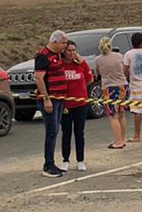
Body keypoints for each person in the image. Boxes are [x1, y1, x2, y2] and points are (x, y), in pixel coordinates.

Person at [34, 30, 71, 177]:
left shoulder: (57, 55)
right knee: (51, 131)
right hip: (51, 100)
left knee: (55, 131)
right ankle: (48, 165)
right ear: (55, 41)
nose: (65, 46)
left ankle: (51, 163)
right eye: (63, 43)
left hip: (60, 98)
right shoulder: (43, 56)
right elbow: (39, 78)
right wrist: (46, 98)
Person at [56, 41, 93, 172]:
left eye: (73, 50)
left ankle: (80, 160)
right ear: (64, 52)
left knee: (79, 132)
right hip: (66, 104)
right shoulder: (60, 66)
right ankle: (65, 160)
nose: (71, 53)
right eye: (69, 50)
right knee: (66, 132)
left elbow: (90, 79)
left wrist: (81, 91)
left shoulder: (81, 64)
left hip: (81, 104)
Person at [93, 37, 129, 150]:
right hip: (123, 85)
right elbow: (123, 70)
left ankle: (118, 141)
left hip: (109, 87)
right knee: (122, 113)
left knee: (113, 116)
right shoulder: (119, 56)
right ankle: (122, 139)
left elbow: (98, 73)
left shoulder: (98, 60)